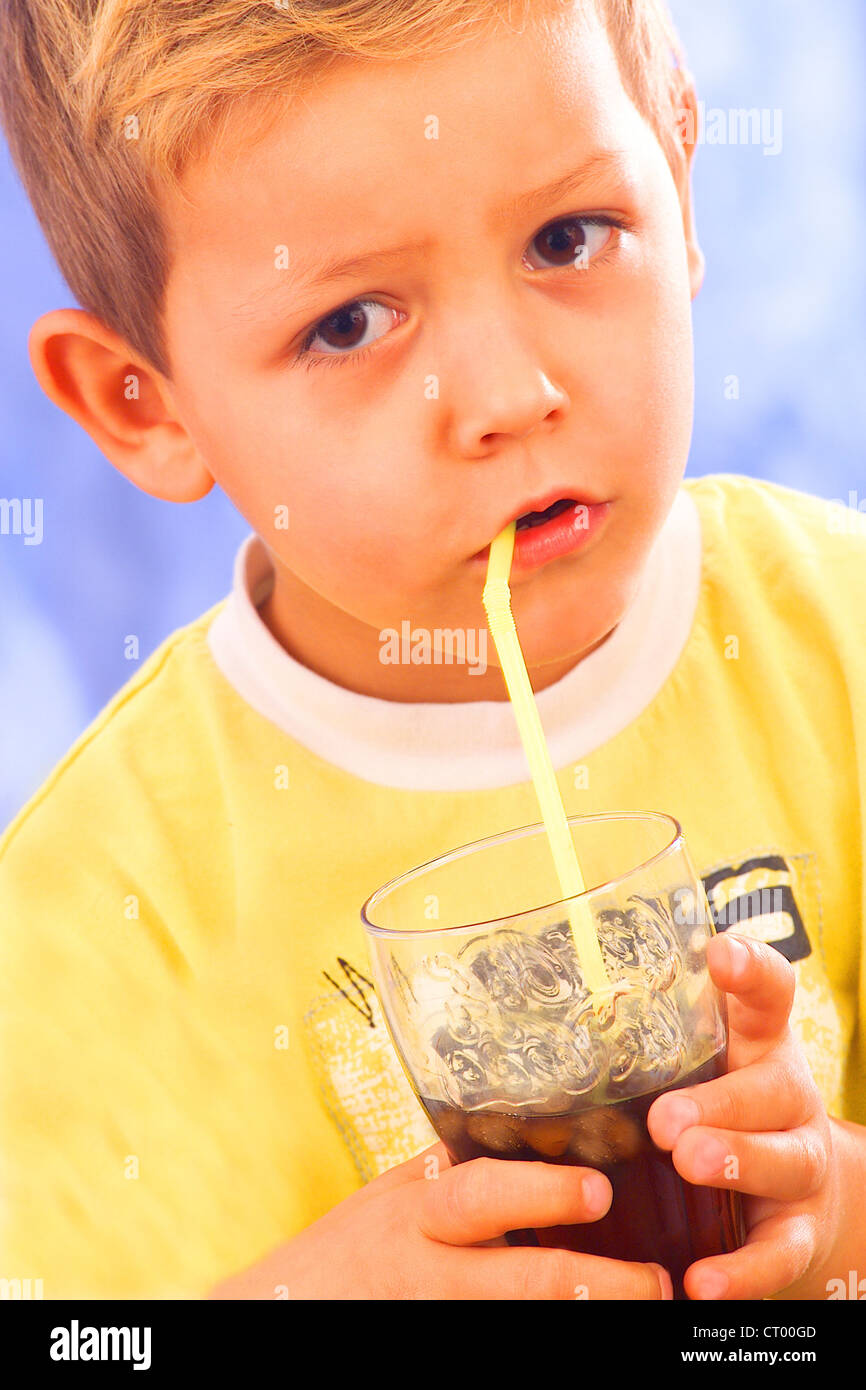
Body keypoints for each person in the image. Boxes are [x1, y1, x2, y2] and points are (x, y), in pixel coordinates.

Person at [0, 0, 864, 1301]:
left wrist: (836, 1199)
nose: (511, 394)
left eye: (567, 238)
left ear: (677, 172)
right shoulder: (97, 906)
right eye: (348, 324)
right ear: (146, 402)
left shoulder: (833, 634)